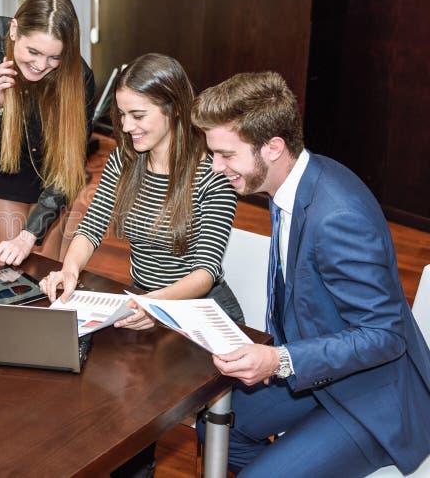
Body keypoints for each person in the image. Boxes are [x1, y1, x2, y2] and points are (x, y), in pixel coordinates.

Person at [192, 71, 430, 476]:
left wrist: (280, 360)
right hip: (320, 374)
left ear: (273, 147)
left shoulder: (337, 215)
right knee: (215, 426)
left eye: (226, 155)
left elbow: (385, 335)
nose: (215, 167)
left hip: (372, 398)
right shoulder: (288, 184)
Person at [40, 54, 244, 329]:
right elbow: (91, 227)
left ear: (175, 108)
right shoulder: (124, 159)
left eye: (137, 116)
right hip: (143, 300)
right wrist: (70, 269)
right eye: (122, 115)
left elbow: (204, 274)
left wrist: (152, 305)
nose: (126, 127)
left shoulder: (214, 173)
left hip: (199, 311)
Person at [0, 0, 96, 268]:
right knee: (12, 267)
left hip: (55, 174)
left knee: (44, 265)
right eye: (33, 52)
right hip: (4, 165)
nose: (41, 65)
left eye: (54, 57)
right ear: (14, 30)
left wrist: (29, 235)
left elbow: (68, 166)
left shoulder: (79, 77)